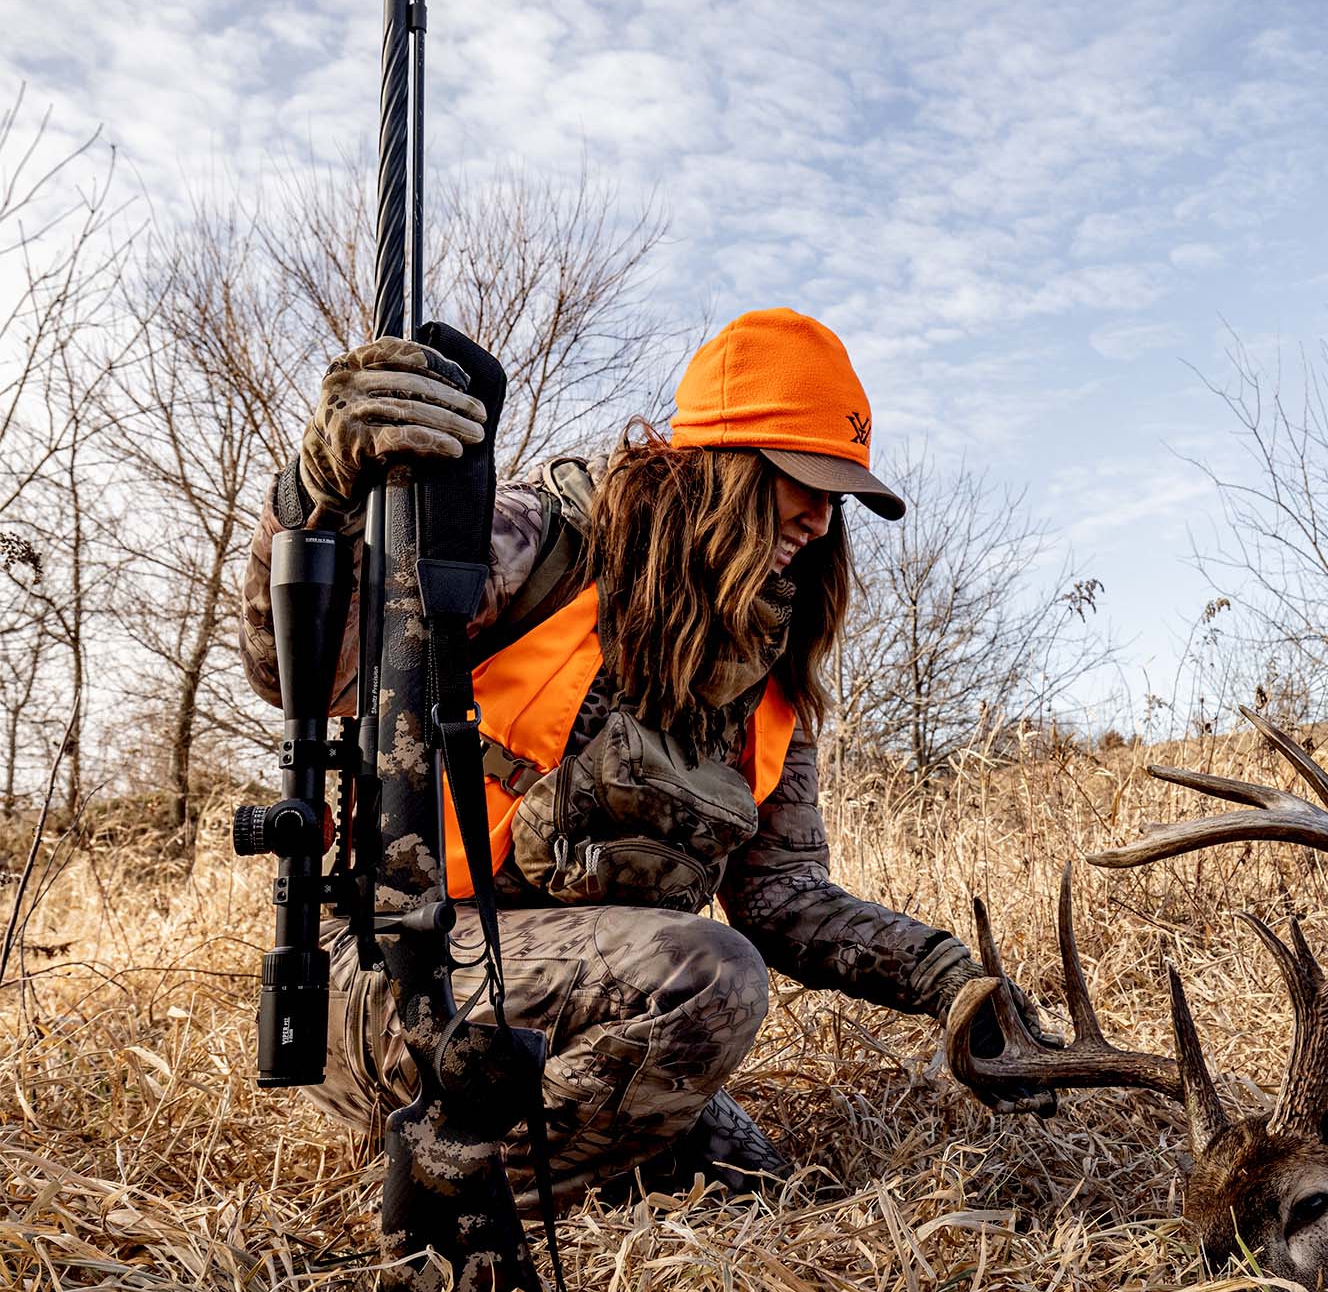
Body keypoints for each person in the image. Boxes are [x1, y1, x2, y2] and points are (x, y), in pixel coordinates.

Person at [240, 308, 1051, 1208]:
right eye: (802, 481)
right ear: (723, 465)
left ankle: (515, 1164)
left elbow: (782, 897)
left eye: (841, 496)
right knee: (713, 978)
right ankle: (455, 1191)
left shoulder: (765, 671)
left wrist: (948, 980)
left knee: (754, 1190)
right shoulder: (545, 544)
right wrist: (317, 490)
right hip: (396, 976)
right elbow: (299, 671)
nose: (822, 520)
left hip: (560, 997)